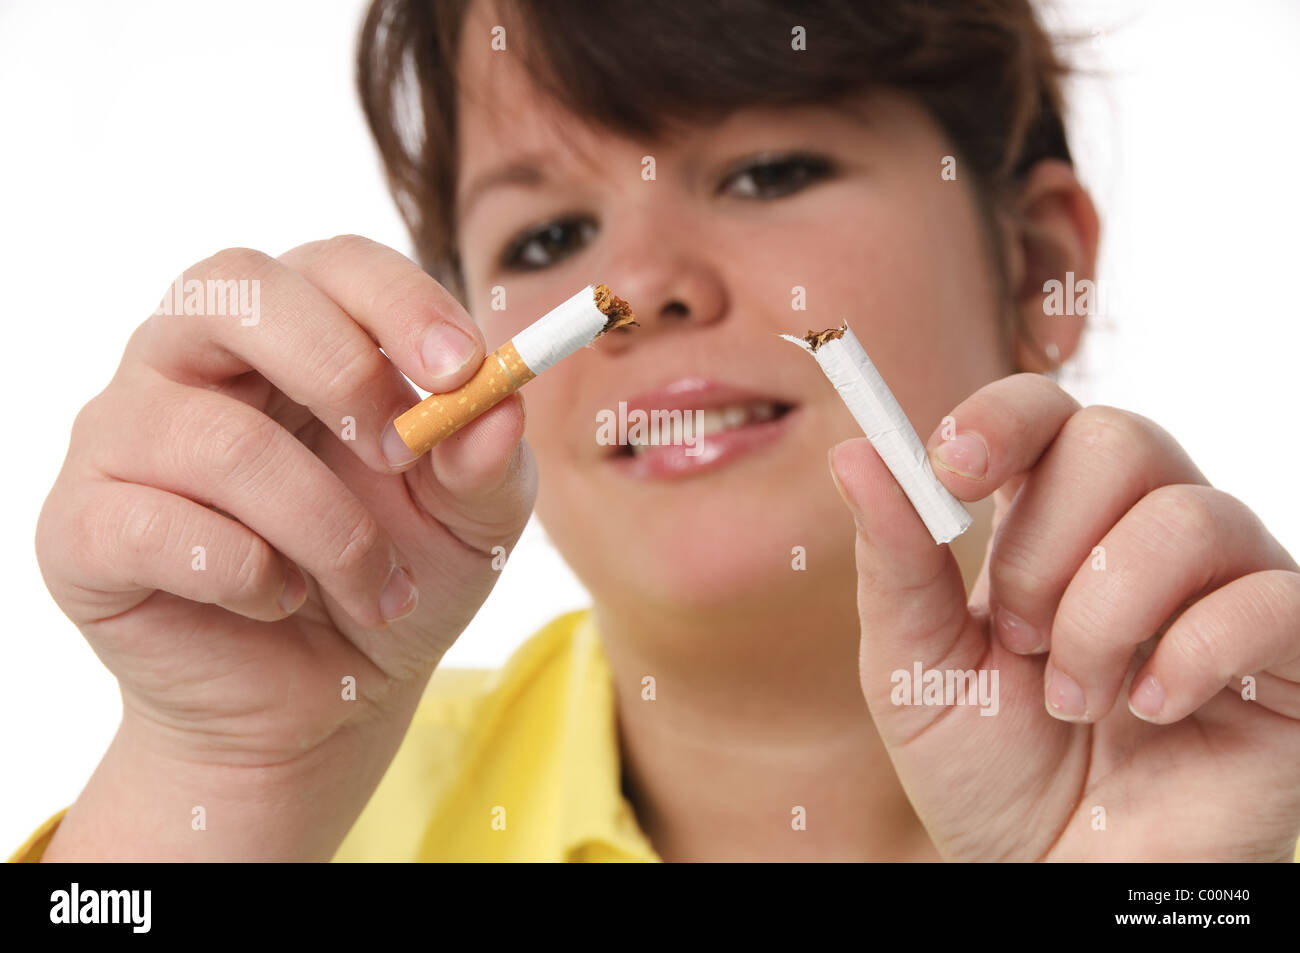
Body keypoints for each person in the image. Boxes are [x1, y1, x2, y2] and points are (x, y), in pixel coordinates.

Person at [12, 0, 1300, 863]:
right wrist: (219, 776)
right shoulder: (311, 809)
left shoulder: (1252, 789)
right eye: (547, 238)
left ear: (1034, 265)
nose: (644, 287)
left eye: (766, 173)